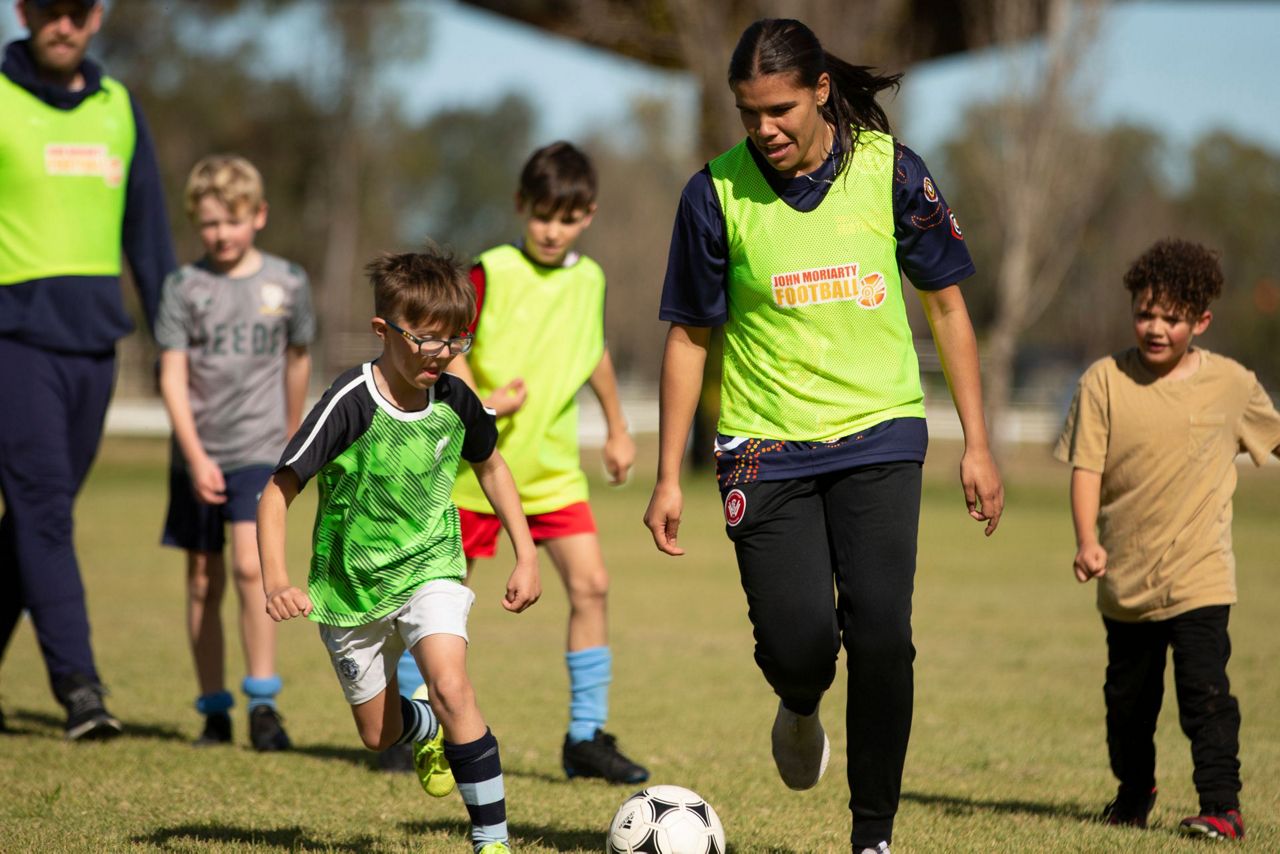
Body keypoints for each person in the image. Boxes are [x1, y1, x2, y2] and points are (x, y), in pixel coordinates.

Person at [643, 19, 1003, 854]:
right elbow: (689, 337)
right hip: (764, 448)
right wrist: (668, 474)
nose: (763, 128)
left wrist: (976, 442)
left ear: (819, 92)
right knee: (800, 645)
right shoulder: (714, 194)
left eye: (778, 109)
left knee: (881, 636)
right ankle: (799, 702)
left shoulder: (891, 172)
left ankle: (871, 834)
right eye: (747, 113)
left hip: (878, 434)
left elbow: (947, 305)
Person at [257, 249, 539, 854]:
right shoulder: (350, 402)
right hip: (349, 586)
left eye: (455, 342)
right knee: (377, 734)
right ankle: (423, 725)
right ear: (384, 330)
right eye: (426, 341)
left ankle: (492, 841)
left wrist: (527, 552)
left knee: (453, 684)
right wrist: (277, 579)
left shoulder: (454, 396)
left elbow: (491, 466)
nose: (440, 355)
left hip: (429, 566)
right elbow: (277, 493)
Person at [1055, 239, 1280, 843]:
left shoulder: (1232, 385)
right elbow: (1086, 468)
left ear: (1200, 321)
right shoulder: (1104, 381)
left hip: (1201, 575)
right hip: (1126, 579)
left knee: (1205, 695)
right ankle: (1134, 793)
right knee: (1127, 705)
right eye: (1145, 313)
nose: (1156, 328)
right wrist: (1086, 541)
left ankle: (1221, 807)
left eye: (1172, 318)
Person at [441, 140, 649, 785]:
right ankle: (417, 720)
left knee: (592, 586)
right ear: (520, 206)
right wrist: (480, 400)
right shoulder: (490, 270)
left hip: (555, 471)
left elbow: (593, 354)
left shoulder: (590, 279)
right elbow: (447, 344)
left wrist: (617, 427)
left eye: (567, 218)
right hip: (474, 470)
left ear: (587, 216)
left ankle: (585, 738)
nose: (552, 230)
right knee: (443, 604)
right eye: (541, 215)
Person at [0, 0, 175, 739]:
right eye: (47, 8)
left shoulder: (118, 107)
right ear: (21, 11)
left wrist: (176, 341)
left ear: (97, 16)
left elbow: (150, 233)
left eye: (75, 10)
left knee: (32, 526)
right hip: (13, 339)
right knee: (45, 511)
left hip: (95, 348)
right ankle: (81, 688)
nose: (61, 24)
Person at [155, 155, 314, 750]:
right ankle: (214, 711)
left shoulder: (289, 282)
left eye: (233, 220)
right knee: (203, 578)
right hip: (197, 454)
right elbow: (172, 375)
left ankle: (263, 704)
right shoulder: (183, 287)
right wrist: (195, 455)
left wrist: (294, 433)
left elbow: (298, 358)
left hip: (259, 450)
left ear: (259, 216)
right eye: (210, 223)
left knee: (253, 568)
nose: (221, 233)